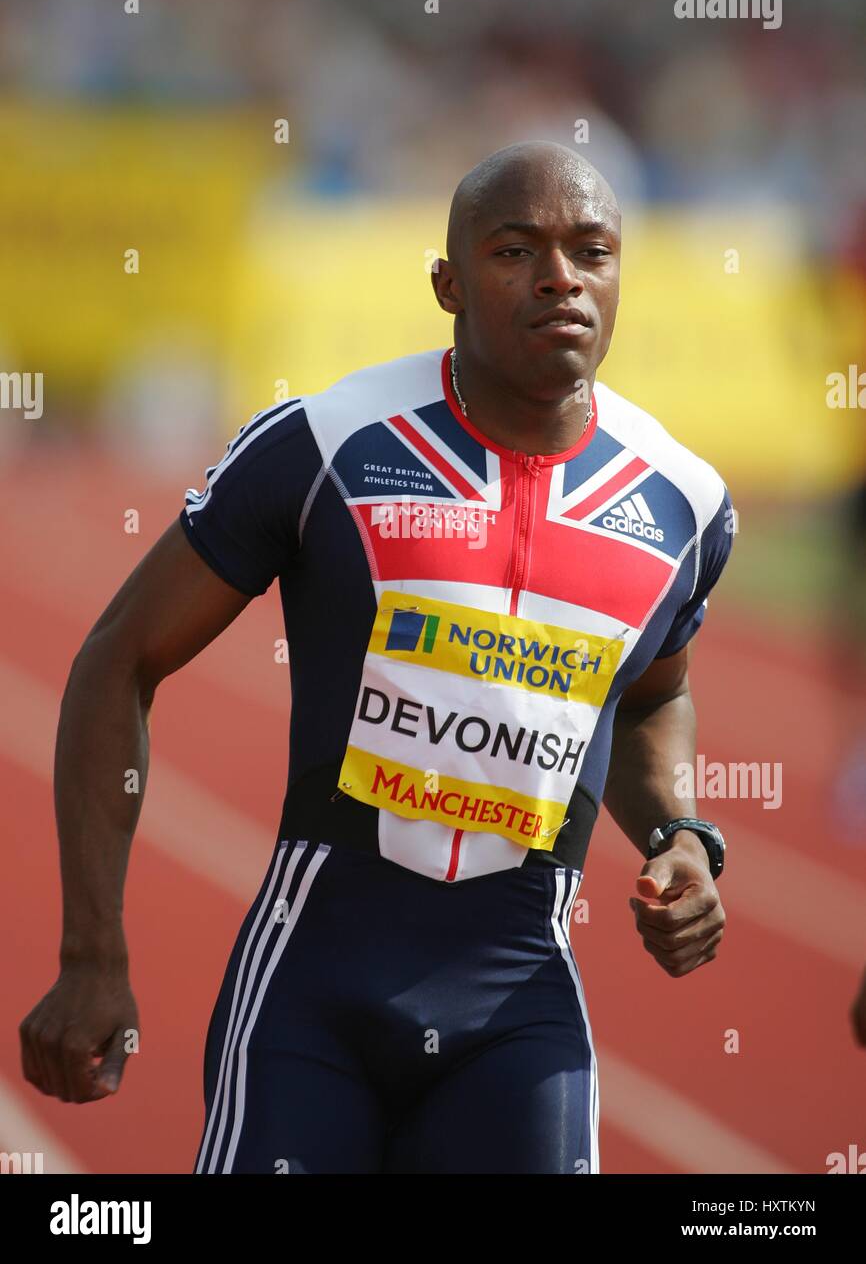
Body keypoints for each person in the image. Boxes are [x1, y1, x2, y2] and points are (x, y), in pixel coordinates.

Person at [20, 141, 733, 1174]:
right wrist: (91, 950)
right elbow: (115, 659)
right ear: (444, 283)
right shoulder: (326, 443)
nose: (557, 277)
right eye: (512, 249)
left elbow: (653, 695)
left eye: (590, 250)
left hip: (519, 1014)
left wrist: (676, 832)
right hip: (311, 1003)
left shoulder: (684, 504)